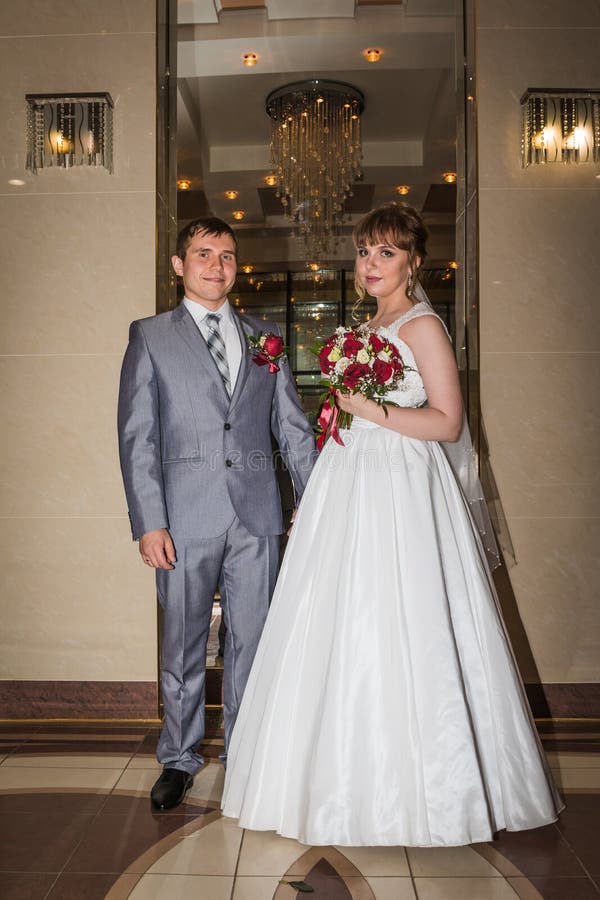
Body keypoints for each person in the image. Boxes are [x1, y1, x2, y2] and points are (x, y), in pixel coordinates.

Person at [221, 203, 563, 847]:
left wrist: (366, 408)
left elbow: (448, 423)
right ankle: (329, 780)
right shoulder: (368, 323)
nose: (371, 264)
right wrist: (344, 419)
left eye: (385, 252)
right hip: (351, 481)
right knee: (339, 615)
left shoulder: (424, 325)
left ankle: (426, 790)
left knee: (407, 615)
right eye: (364, 252)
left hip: (404, 488)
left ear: (412, 261)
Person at [117, 216, 316, 811]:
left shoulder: (264, 335)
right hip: (182, 520)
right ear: (179, 265)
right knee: (182, 645)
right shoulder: (150, 336)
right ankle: (178, 758)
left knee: (254, 641)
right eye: (203, 254)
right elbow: (138, 436)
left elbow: (291, 427)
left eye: (227, 256)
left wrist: (313, 497)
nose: (216, 265)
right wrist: (149, 521)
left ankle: (246, 748)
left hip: (258, 518)